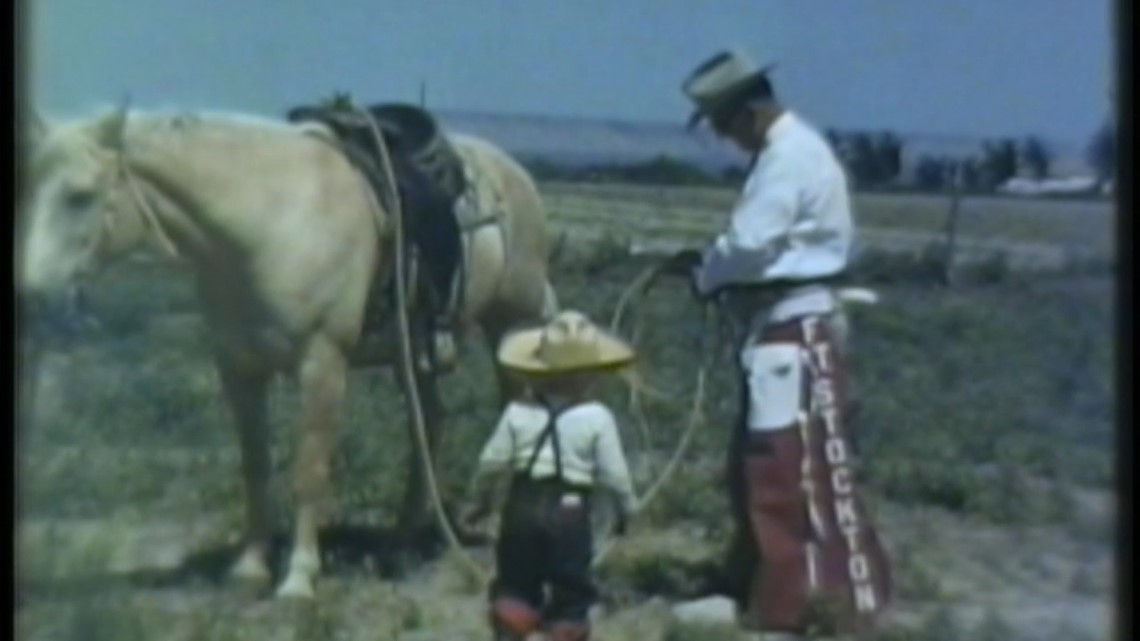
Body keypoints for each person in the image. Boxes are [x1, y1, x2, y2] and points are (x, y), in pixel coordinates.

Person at [671, 48, 892, 638]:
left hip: (792, 328)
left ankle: (799, 608)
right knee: (768, 464)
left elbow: (750, 243)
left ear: (748, 113)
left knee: (786, 470)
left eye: (724, 126)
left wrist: (707, 273)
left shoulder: (788, 157)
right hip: (780, 326)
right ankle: (762, 587)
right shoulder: (794, 152)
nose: (726, 139)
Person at [458, 309, 641, 641]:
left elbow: (492, 463)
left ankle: (511, 631)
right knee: (570, 592)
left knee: (515, 584)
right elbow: (614, 475)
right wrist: (627, 510)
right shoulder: (597, 417)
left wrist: (477, 503)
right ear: (591, 374)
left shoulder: (518, 412)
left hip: (522, 508)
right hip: (570, 514)